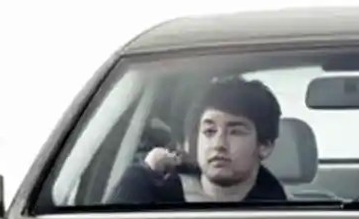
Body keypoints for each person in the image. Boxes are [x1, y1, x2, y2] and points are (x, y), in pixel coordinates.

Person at [110, 77, 287, 205]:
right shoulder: (155, 197)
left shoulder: (286, 215)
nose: (219, 144)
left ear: (264, 146)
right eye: (209, 131)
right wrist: (141, 176)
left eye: (235, 132)